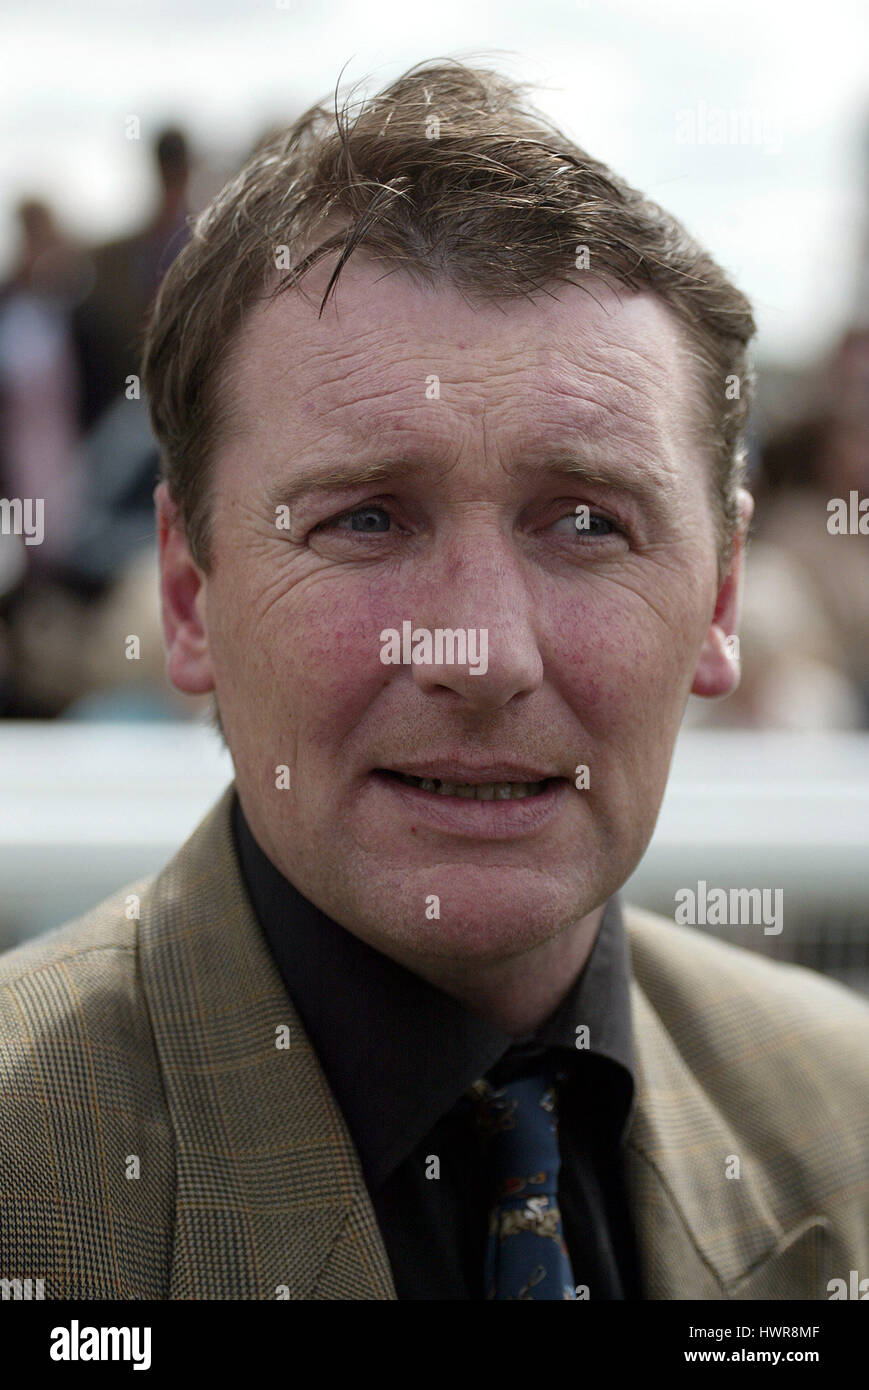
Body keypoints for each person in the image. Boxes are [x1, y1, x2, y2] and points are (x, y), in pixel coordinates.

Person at [1, 60, 866, 1302]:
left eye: (583, 524)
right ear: (190, 597)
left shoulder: (846, 1116)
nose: (483, 656)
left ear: (718, 600)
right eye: (364, 521)